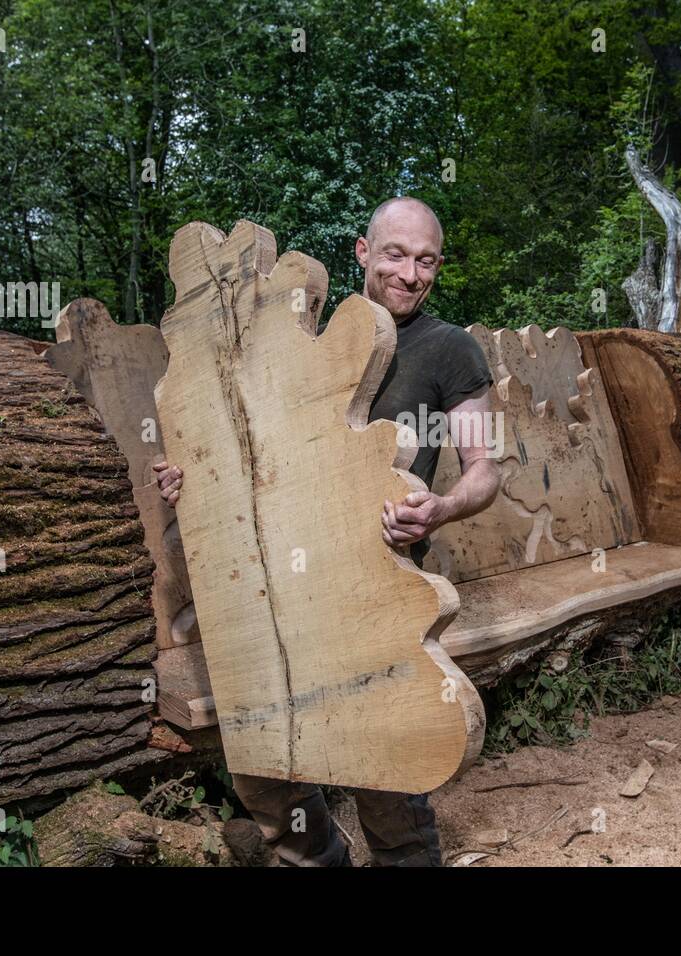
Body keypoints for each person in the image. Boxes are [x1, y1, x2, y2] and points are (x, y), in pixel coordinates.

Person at [152, 196, 502, 865]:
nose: (411, 273)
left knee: (389, 784)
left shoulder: (450, 350)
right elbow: (246, 454)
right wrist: (187, 482)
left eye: (426, 260)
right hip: (264, 603)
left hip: (371, 594)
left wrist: (444, 507)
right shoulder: (305, 333)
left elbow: (486, 467)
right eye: (396, 254)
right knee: (268, 779)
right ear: (363, 253)